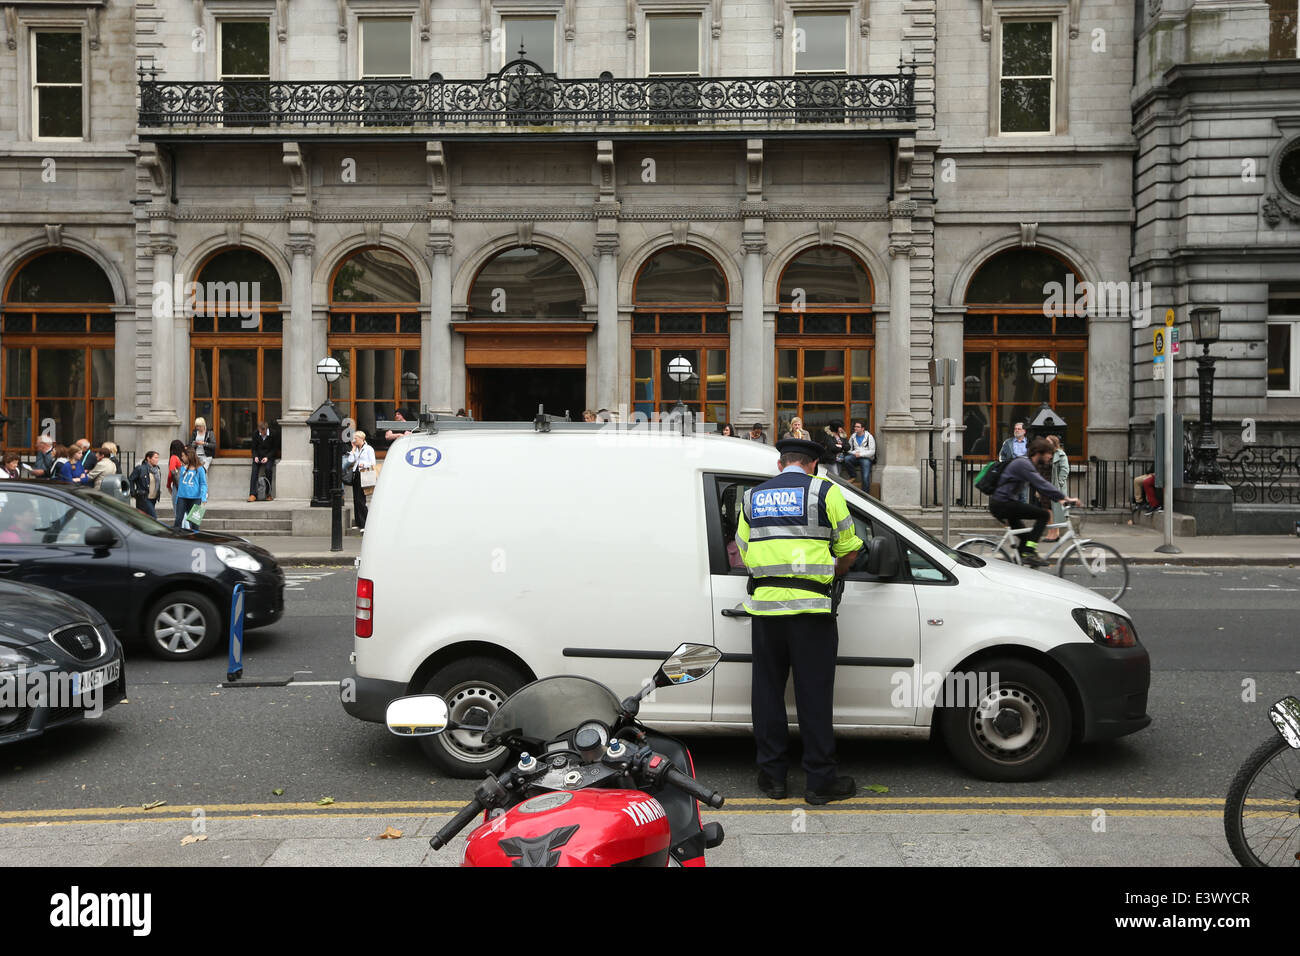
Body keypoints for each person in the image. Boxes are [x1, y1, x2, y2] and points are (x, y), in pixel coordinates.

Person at [736, 437, 864, 805]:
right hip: (811, 612)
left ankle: (773, 778)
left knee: (767, 693)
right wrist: (833, 570)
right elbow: (849, 548)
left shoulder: (752, 496)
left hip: (766, 611)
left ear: (781, 464)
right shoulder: (826, 492)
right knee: (814, 695)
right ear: (813, 465)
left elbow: (745, 551)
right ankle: (819, 782)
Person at [988, 437, 1082, 565]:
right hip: (1003, 503)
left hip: (1002, 503)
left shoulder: (1027, 464)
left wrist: (1058, 498)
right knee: (1044, 515)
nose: (1050, 457)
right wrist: (1064, 498)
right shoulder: (1024, 464)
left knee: (1026, 540)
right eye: (1049, 453)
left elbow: (1039, 485)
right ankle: (1029, 553)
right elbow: (1041, 483)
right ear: (1039, 453)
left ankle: (1020, 563)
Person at [345, 430, 376, 531]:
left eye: (356, 438)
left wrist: (364, 465)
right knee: (355, 499)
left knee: (361, 500)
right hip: (356, 475)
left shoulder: (368, 449)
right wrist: (353, 449)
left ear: (361, 439)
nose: (354, 440)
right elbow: (350, 460)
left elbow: (373, 463)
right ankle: (358, 522)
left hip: (364, 474)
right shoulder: (357, 449)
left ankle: (365, 524)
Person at [1042, 435, 1070, 541]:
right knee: (1048, 510)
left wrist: (1060, 483)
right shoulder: (1045, 454)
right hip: (1045, 486)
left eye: (1049, 442)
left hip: (1054, 486)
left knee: (1055, 511)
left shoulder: (1061, 454)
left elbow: (1065, 470)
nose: (1046, 443)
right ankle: (1050, 532)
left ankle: (1056, 533)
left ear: (1054, 443)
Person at [173, 445, 208, 529]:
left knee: (195, 523)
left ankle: (195, 539)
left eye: (183, 456)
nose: (182, 458)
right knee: (178, 520)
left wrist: (203, 498)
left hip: (195, 498)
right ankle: (175, 539)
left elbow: (203, 484)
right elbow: (180, 484)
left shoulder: (200, 469)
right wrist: (177, 497)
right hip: (182, 498)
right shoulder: (182, 468)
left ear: (188, 456)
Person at [998, 421, 1030, 503]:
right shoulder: (1008, 442)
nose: (1016, 430)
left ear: (1024, 431)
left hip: (1024, 472)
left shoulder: (1030, 443)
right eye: (1015, 429)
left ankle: (1023, 513)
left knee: (1023, 495)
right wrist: (1006, 467)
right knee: (1012, 495)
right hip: (1012, 472)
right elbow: (1002, 456)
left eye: (1019, 429)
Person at [249, 421, 278, 502]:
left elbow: (275, 449)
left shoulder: (273, 434)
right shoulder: (255, 433)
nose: (262, 434)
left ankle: (268, 494)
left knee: (268, 469)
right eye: (260, 432)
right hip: (258, 456)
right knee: (254, 471)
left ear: (266, 429)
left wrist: (267, 457)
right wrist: (255, 457)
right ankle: (252, 494)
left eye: (263, 432)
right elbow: (253, 448)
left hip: (269, 456)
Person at [130, 451, 163, 518]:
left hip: (153, 498)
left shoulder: (157, 469)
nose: (157, 460)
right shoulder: (140, 468)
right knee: (153, 517)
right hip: (144, 498)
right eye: (155, 458)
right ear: (148, 458)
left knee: (146, 518)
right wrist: (133, 492)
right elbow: (131, 479)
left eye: (158, 458)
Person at [846, 419, 876, 490]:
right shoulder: (853, 436)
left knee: (865, 477)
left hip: (866, 458)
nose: (855, 428)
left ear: (863, 428)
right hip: (856, 456)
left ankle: (865, 495)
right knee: (847, 459)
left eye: (858, 427)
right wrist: (854, 453)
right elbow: (849, 449)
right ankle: (853, 476)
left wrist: (861, 454)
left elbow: (872, 451)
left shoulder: (869, 437)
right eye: (855, 426)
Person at [165, 439, 187, 526]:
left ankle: (181, 531)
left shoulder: (174, 458)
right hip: (185, 486)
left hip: (177, 487)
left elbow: (171, 472)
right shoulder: (182, 459)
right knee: (185, 511)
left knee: (178, 511)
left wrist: (168, 486)